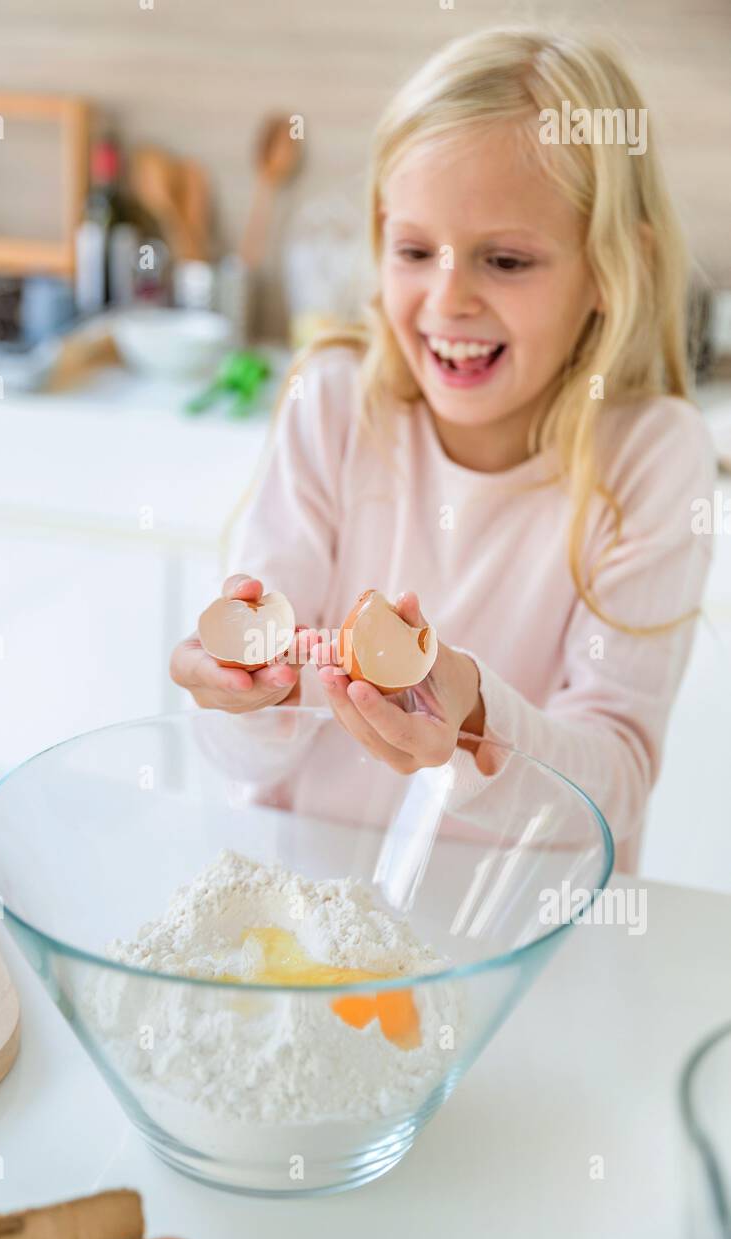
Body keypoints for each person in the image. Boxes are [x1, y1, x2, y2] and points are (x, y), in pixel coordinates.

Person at [170, 27, 716, 873]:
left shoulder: (650, 458)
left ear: (613, 268)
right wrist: (243, 697)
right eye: (416, 251)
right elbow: (238, 757)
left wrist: (473, 718)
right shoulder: (337, 404)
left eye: (505, 259)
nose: (448, 298)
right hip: (303, 915)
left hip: (517, 937)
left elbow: (613, 788)